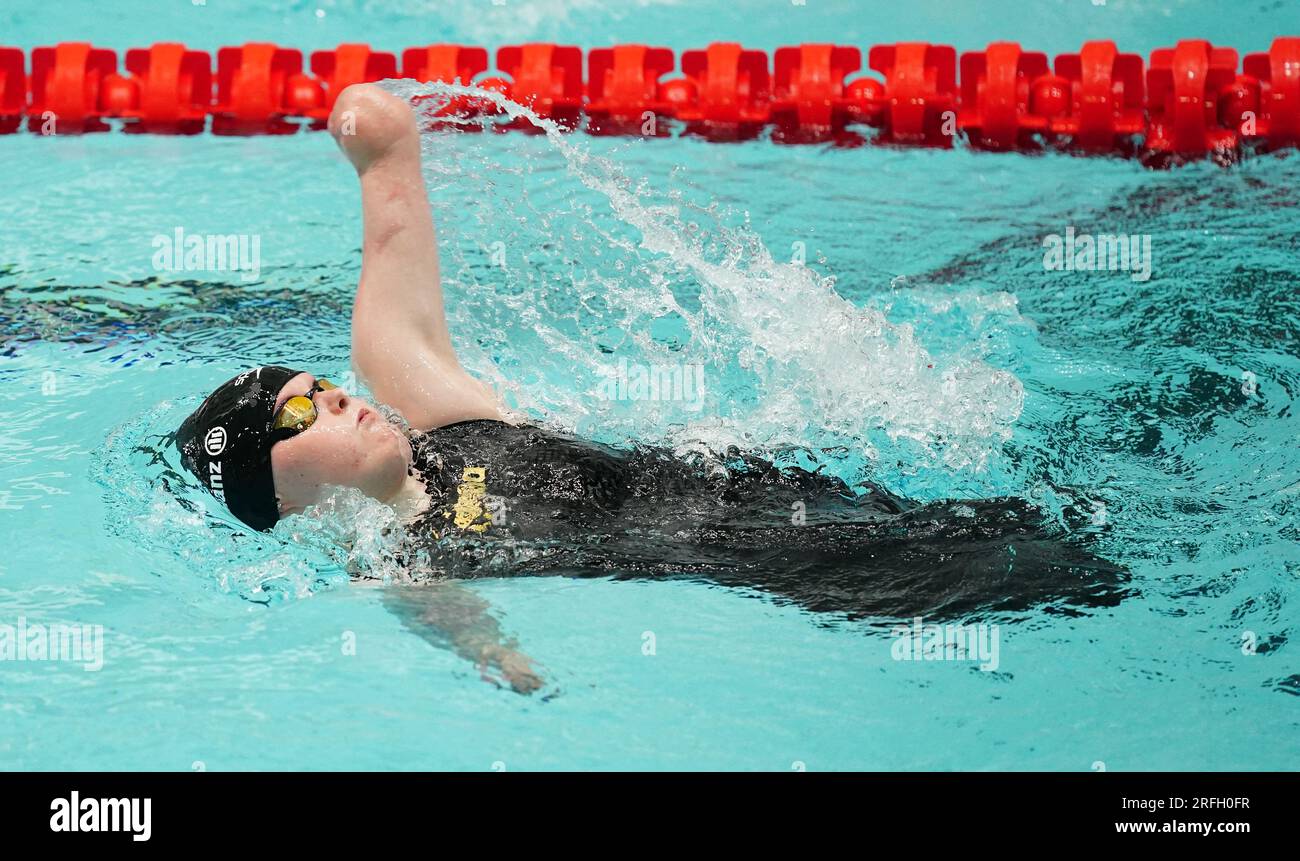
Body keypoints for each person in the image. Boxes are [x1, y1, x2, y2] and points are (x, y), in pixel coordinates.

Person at [175, 84, 1126, 695]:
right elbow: (468, 638)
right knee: (1083, 581)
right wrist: (506, 667)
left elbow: (387, 179)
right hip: (808, 575)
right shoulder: (405, 565)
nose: (336, 398)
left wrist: (359, 122)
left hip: (798, 489)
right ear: (278, 494)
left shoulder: (435, 410)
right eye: (297, 413)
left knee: (1087, 530)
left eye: (321, 385)